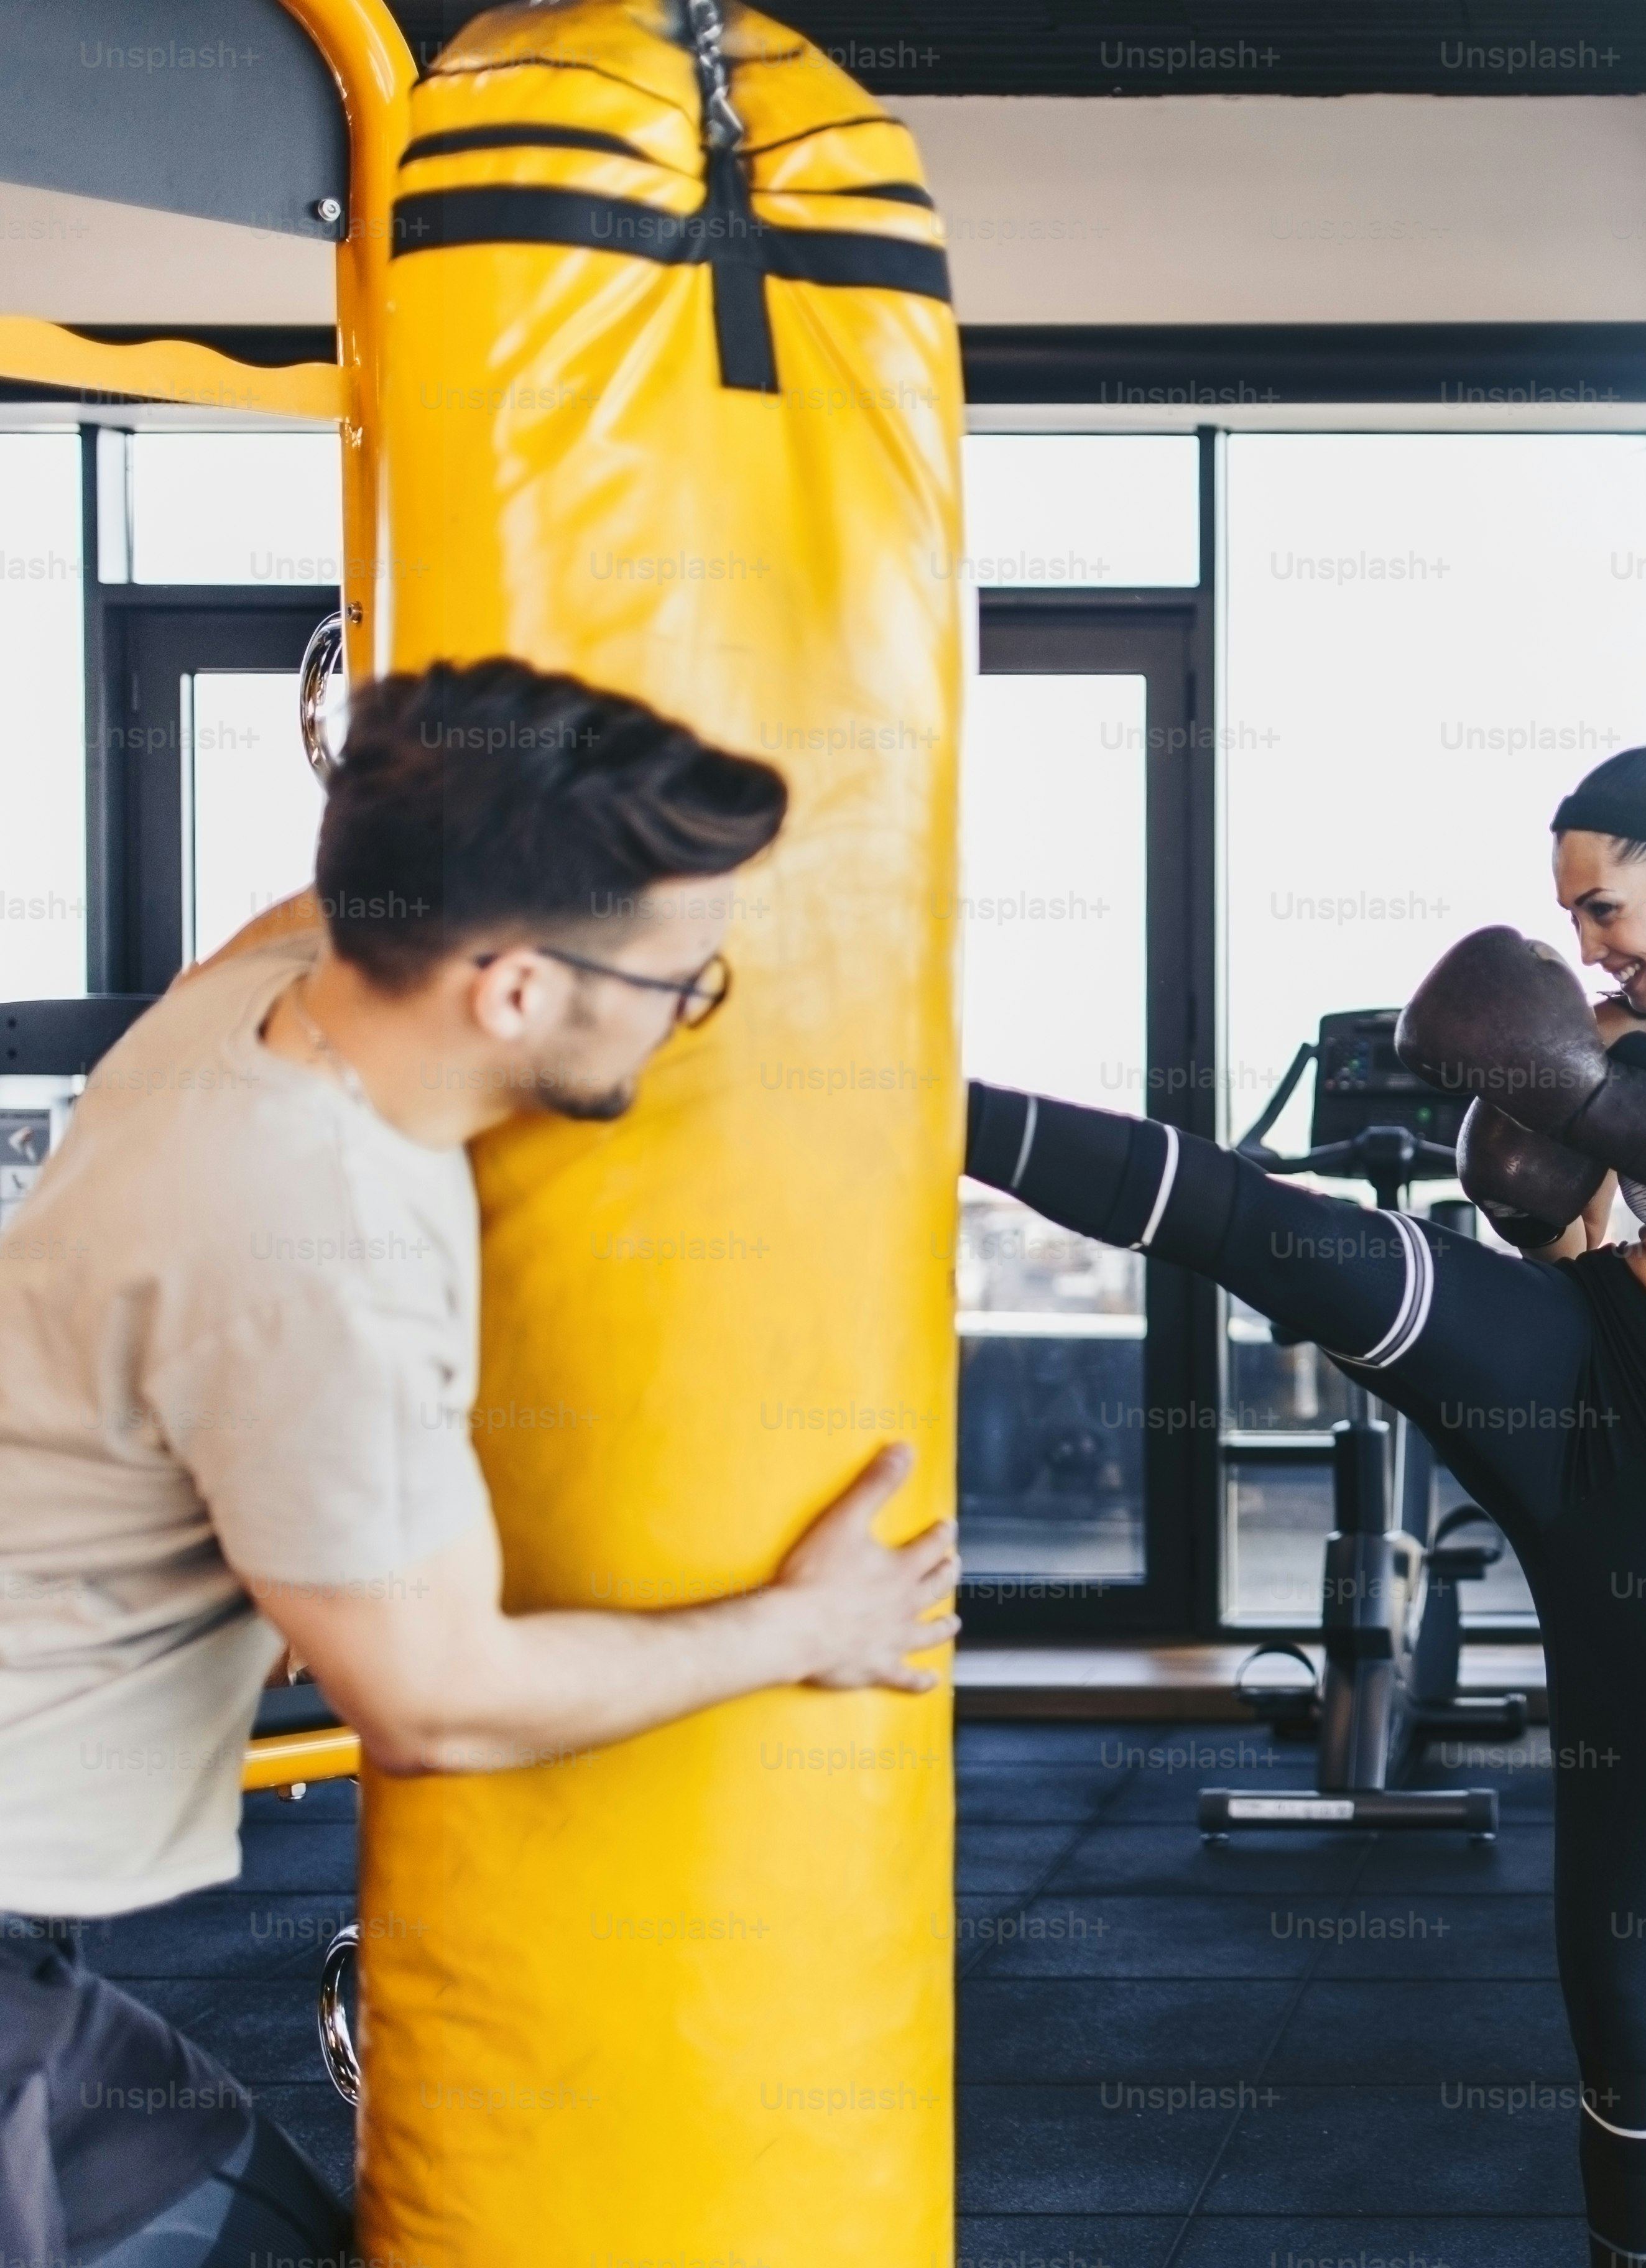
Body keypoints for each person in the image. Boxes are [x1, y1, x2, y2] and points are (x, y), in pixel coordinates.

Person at [0, 659, 953, 2266]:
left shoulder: (269, 983)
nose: (687, 1015)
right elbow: (436, 1701)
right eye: (679, 985)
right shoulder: (316, 1239)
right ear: (510, 988)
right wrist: (809, 1629)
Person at [965, 717, 1646, 2268]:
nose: (1590, 951)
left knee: (1619, 1964)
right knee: (1256, 1223)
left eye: (1602, 913)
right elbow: (1580, 1240)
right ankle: (933, 1118)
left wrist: (1574, 1085)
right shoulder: (1641, 1041)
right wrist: (1532, 1184)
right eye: (1567, 927)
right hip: (1580, 1360)